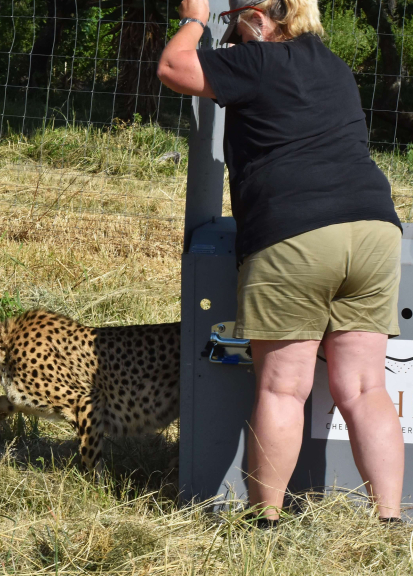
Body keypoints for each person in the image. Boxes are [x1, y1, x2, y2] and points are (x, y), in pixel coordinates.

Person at [158, 0, 405, 522]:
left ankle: (264, 524)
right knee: (364, 387)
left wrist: (195, 20)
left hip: (296, 235)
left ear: (258, 17)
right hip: (374, 229)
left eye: (234, 24)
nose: (231, 36)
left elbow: (174, 68)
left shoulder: (260, 60)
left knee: (282, 388)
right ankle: (388, 521)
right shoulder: (334, 66)